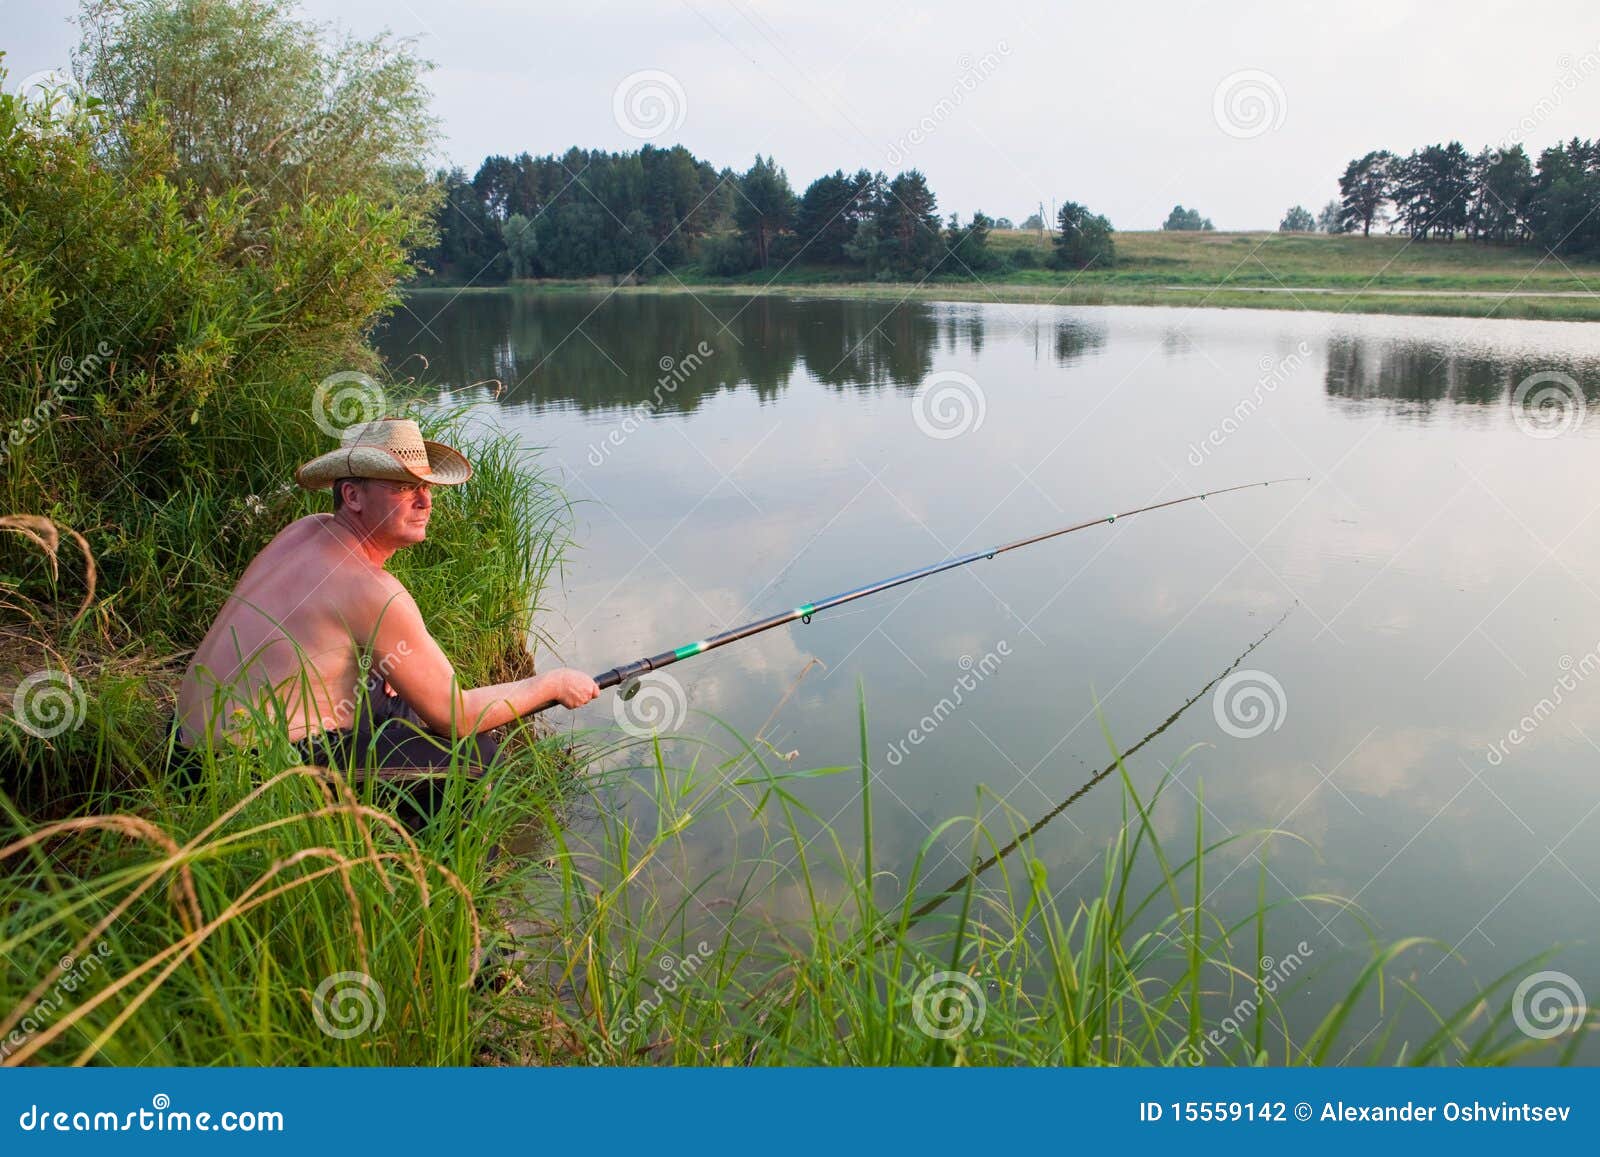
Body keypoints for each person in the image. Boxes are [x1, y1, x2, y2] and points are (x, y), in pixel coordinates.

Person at [174, 417, 599, 818]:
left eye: (426, 486)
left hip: (183, 750)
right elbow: (458, 716)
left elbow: (309, 634)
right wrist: (550, 683)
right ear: (353, 496)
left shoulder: (304, 530)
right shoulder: (372, 590)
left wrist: (377, 669)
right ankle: (445, 886)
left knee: (392, 694)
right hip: (249, 774)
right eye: (402, 487)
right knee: (477, 757)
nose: (425, 500)